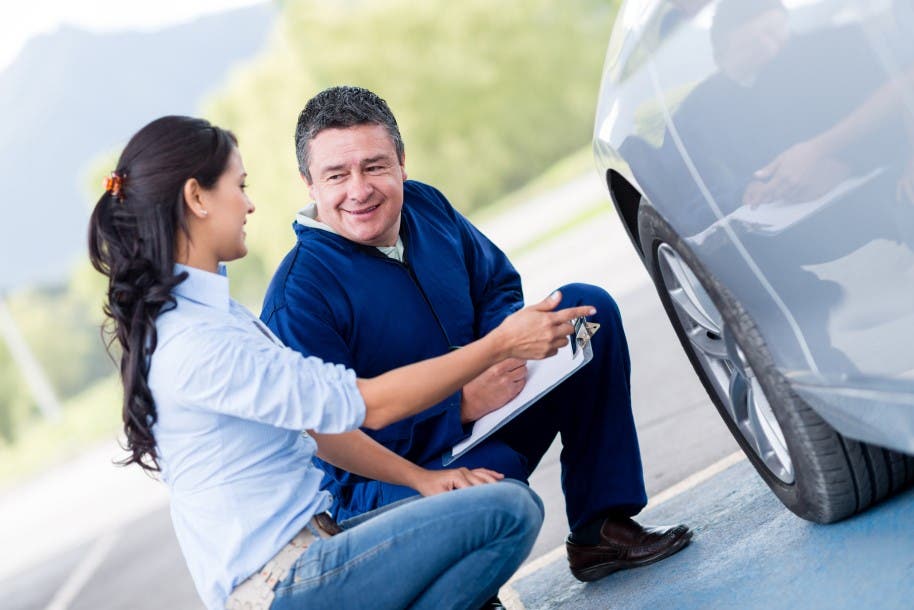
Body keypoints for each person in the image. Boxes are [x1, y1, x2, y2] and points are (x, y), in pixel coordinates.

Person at [87, 115, 599, 610]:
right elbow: (368, 405)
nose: (249, 204)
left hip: (316, 549)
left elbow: (318, 426)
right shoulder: (199, 341)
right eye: (238, 186)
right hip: (284, 584)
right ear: (197, 197)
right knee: (507, 512)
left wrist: (424, 481)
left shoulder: (212, 316)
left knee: (484, 498)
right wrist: (498, 345)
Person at [261, 86, 692, 584]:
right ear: (309, 184)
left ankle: (601, 529)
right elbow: (332, 434)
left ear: (402, 161)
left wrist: (496, 356)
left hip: (490, 407)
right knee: (496, 481)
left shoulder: (426, 206)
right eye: (337, 175)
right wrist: (458, 405)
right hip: (385, 481)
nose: (359, 190)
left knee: (586, 313)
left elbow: (496, 285)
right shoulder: (299, 296)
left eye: (374, 166)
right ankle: (461, 591)